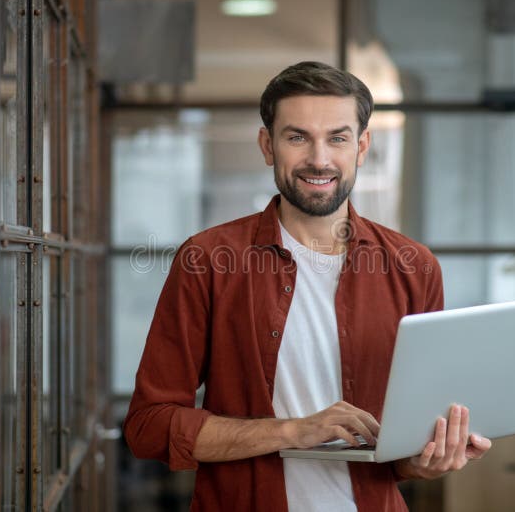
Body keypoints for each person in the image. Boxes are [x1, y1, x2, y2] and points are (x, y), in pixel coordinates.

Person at [123, 61, 492, 511]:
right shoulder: (207, 260)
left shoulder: (414, 267)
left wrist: (428, 459)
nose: (319, 159)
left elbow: (400, 456)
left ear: (362, 146)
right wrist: (294, 430)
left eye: (337, 138)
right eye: (297, 137)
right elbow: (149, 425)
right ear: (267, 145)